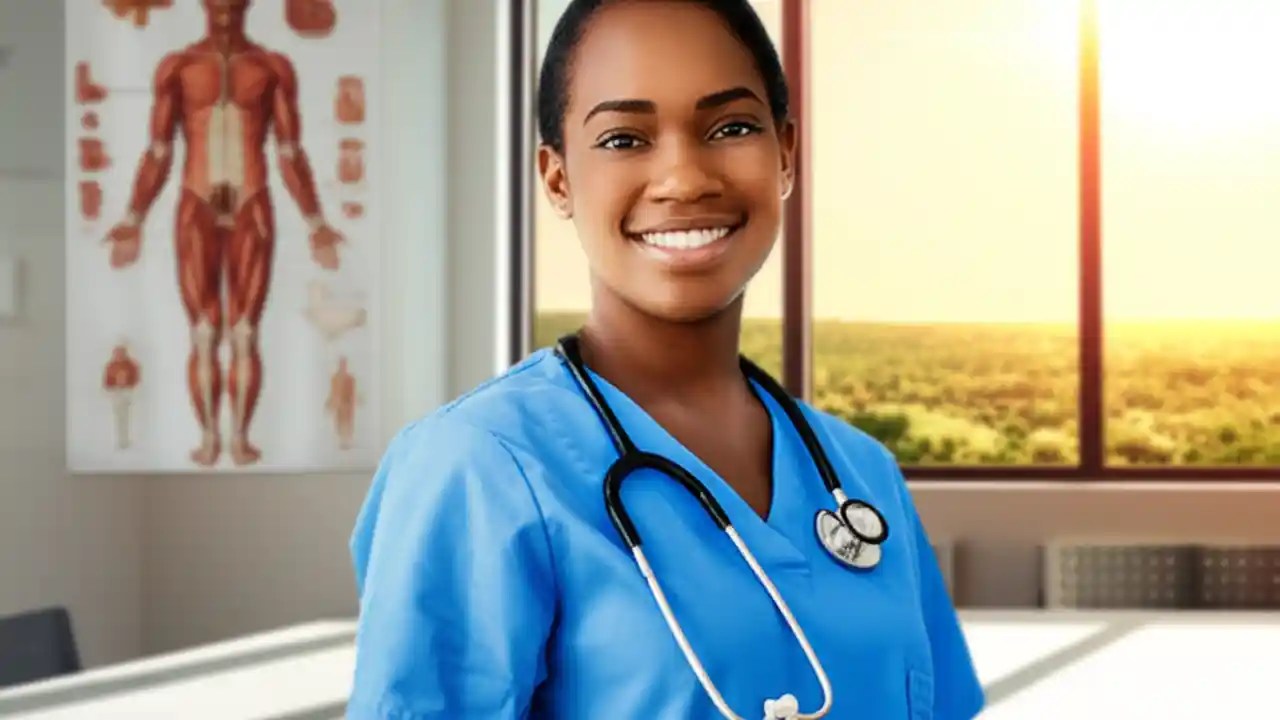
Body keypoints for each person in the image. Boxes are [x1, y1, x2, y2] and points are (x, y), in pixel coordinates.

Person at [347, 1, 984, 718]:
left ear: (786, 155)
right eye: (624, 138)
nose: (683, 177)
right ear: (557, 179)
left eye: (732, 127)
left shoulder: (861, 476)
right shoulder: (475, 467)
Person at [104, 0, 344, 467]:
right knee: (203, 331)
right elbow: (158, 150)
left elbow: (290, 150)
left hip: (252, 204)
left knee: (244, 331)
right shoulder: (179, 66)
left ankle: (241, 439)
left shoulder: (271, 67)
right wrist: (133, 217)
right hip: (196, 205)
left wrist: (316, 222)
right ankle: (210, 437)